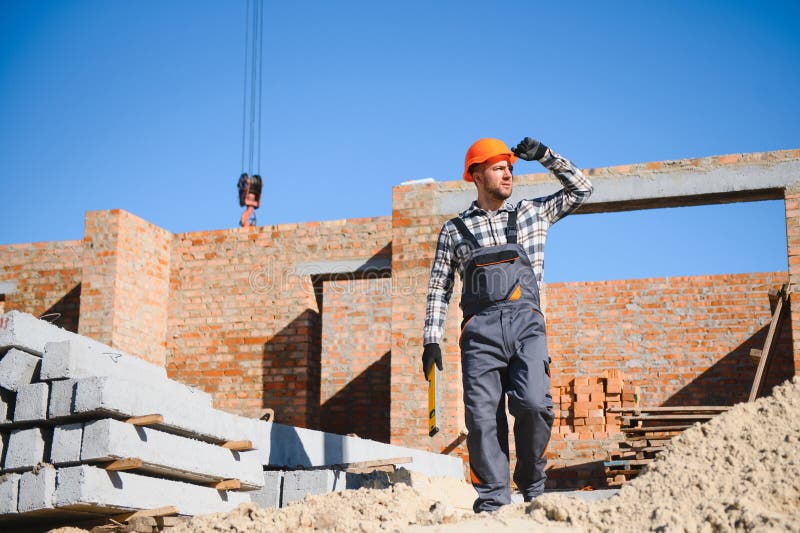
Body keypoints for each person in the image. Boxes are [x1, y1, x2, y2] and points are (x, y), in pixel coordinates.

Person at [421, 137, 593, 512]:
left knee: (534, 404)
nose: (508, 174)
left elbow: (582, 189)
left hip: (526, 328)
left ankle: (532, 481)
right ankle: (494, 500)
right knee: (482, 419)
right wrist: (431, 341)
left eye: (511, 168)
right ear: (476, 175)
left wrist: (547, 157)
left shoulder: (533, 214)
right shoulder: (454, 231)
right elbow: (438, 288)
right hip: (479, 337)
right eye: (499, 168)